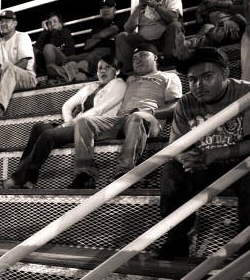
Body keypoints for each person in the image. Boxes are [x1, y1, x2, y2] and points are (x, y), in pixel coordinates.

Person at [158, 47, 250, 258]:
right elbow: (175, 146)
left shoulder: (248, 92)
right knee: (172, 168)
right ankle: (177, 240)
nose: (198, 85)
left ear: (225, 73)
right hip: (205, 165)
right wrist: (185, 158)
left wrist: (217, 153)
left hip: (242, 164)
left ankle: (249, 246)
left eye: (207, 76)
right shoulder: (186, 102)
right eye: (193, 80)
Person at [5, 55, 127, 189]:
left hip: (93, 127)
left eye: (107, 67)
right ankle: (28, 179)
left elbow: (99, 110)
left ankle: (19, 179)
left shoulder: (119, 85)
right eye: (100, 68)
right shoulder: (92, 86)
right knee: (39, 128)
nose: (102, 71)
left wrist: (69, 124)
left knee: (48, 135)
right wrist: (68, 121)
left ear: (117, 71)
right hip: (75, 124)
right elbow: (67, 105)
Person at [70, 44, 182, 188]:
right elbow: (107, 84)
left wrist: (150, 112)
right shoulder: (129, 79)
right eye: (134, 58)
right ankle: (85, 174)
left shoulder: (169, 77)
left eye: (142, 55)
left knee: (136, 117)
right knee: (83, 121)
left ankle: (125, 172)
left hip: (148, 119)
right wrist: (85, 104)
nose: (137, 59)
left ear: (155, 57)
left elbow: (175, 106)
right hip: (121, 120)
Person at [116, 0, 183, 74]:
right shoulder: (143, 4)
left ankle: (169, 64)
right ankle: (128, 72)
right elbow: (128, 28)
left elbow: (173, 18)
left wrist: (156, 6)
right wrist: (138, 8)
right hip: (144, 42)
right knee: (122, 36)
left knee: (175, 25)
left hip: (163, 41)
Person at [64, 0, 126, 76]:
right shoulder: (97, 26)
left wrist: (96, 37)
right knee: (69, 59)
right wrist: (103, 35)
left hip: (109, 52)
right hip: (92, 53)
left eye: (108, 7)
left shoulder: (120, 20)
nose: (105, 10)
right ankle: (67, 72)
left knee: (91, 57)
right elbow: (86, 46)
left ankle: (73, 71)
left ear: (114, 9)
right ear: (100, 11)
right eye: (102, 8)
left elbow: (111, 30)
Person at [34, 11, 76, 79]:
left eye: (55, 21)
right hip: (47, 65)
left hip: (63, 62)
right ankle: (48, 72)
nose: (52, 24)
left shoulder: (66, 32)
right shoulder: (47, 34)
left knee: (48, 47)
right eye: (50, 23)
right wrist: (45, 30)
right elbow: (36, 48)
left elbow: (70, 52)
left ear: (60, 23)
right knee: (34, 50)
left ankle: (52, 73)